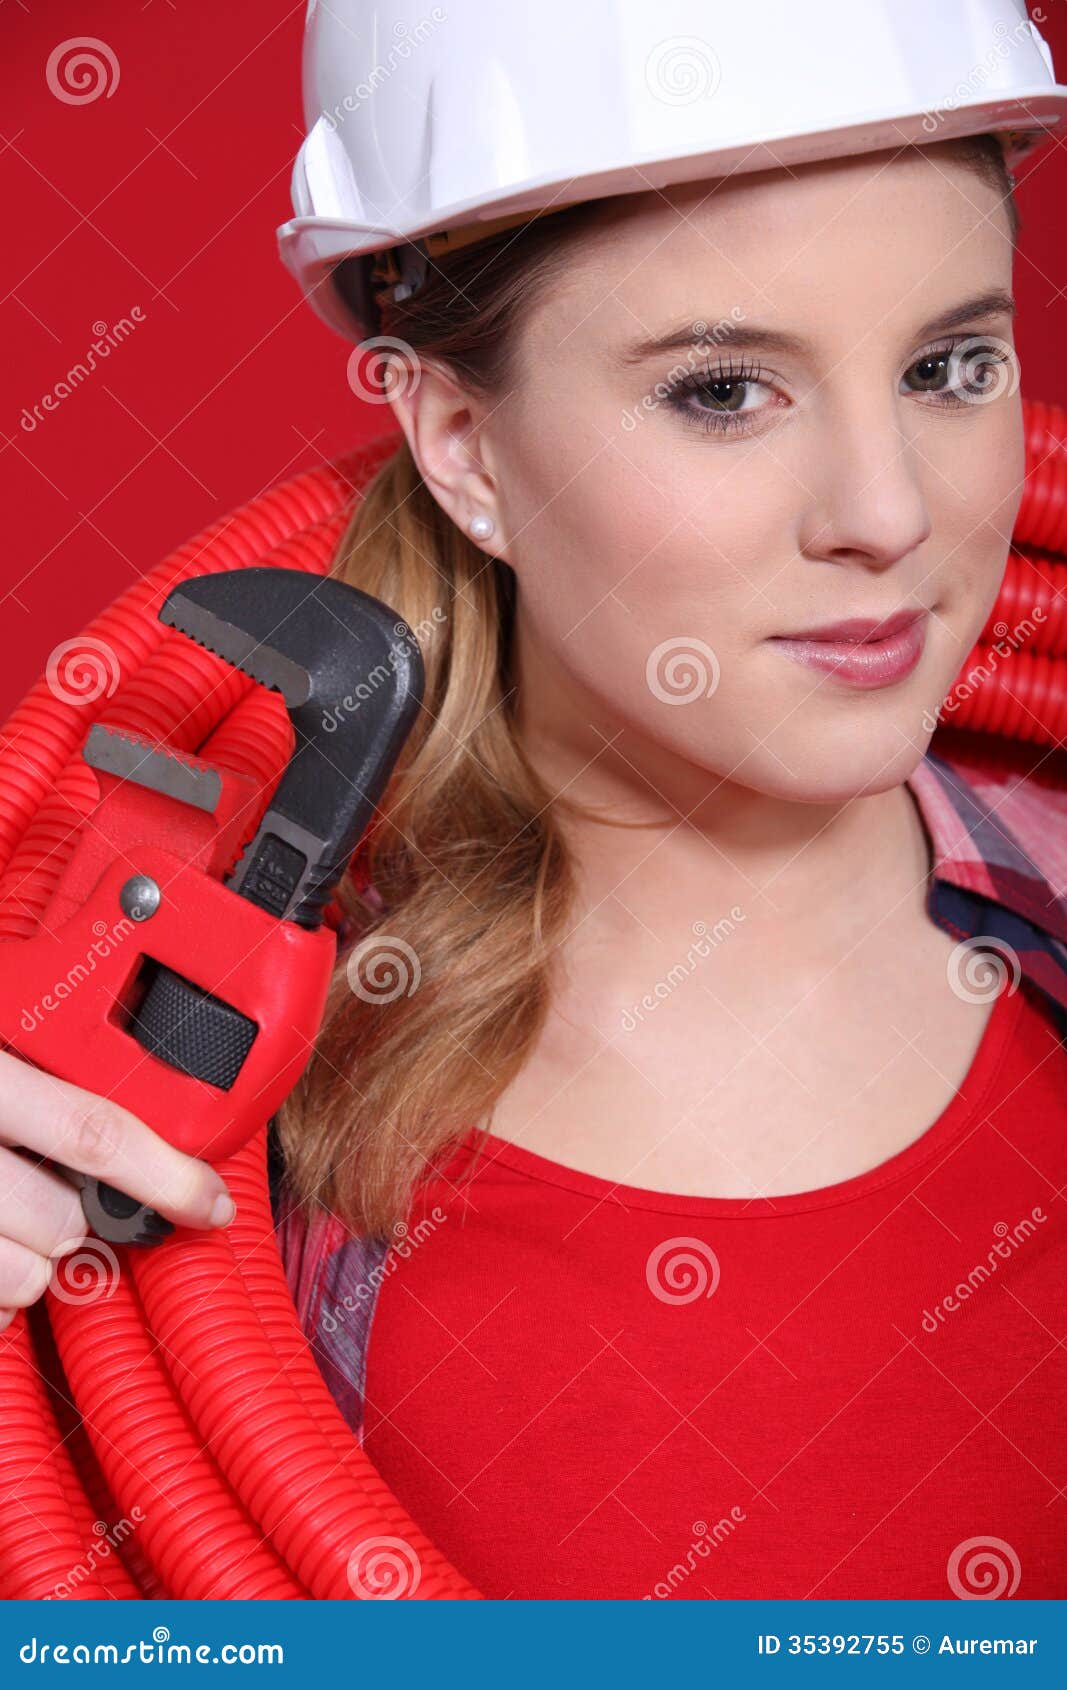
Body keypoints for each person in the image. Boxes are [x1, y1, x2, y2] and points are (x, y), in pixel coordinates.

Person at [2, 0, 1066, 1604]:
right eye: (724, 389)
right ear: (464, 445)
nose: (887, 508)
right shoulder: (163, 1062)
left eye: (950, 365)